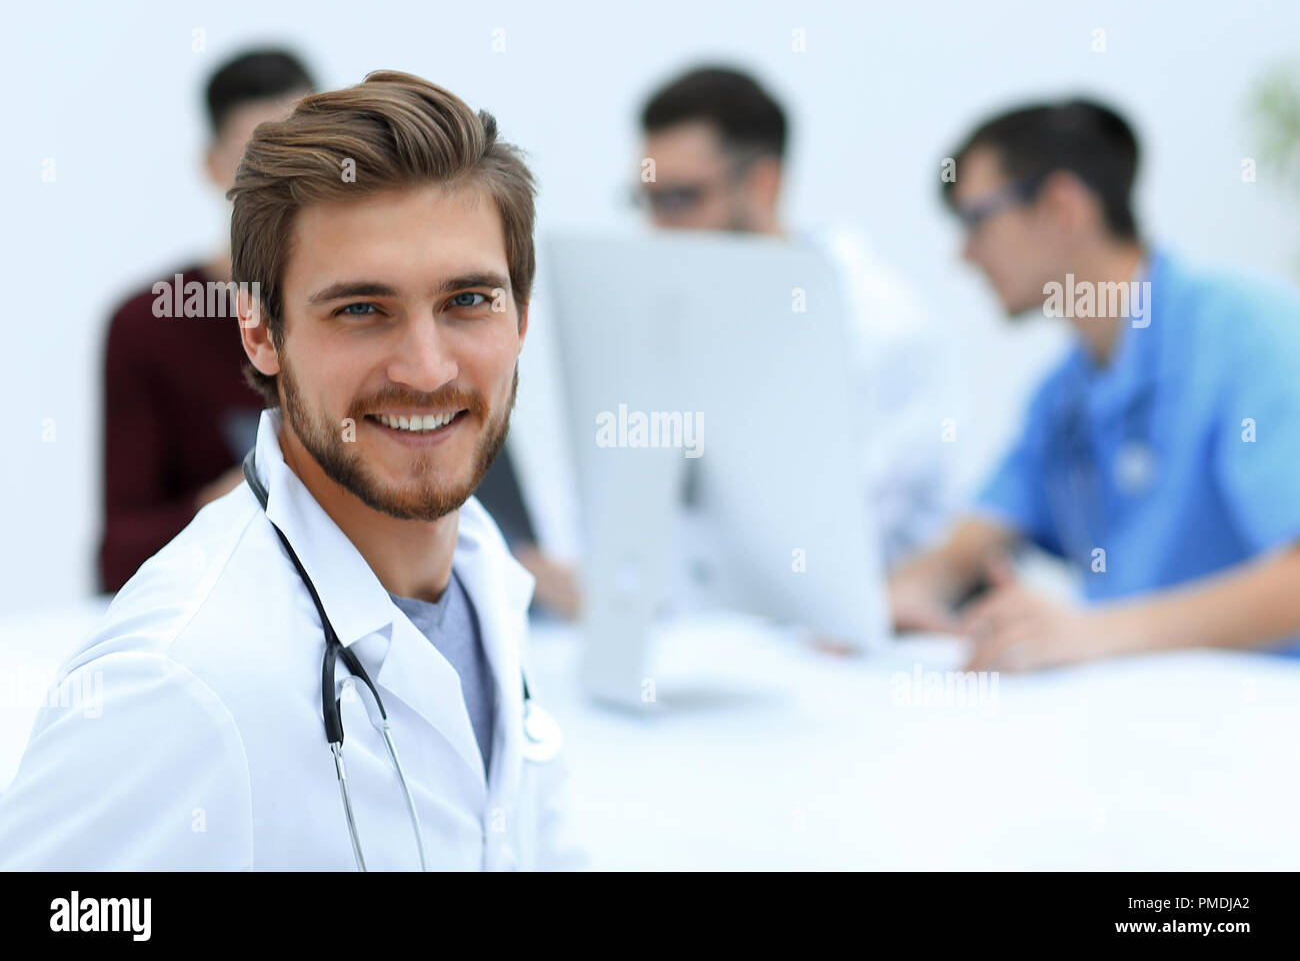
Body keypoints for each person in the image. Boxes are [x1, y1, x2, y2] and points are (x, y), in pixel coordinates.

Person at [0, 71, 582, 869]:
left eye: (468, 300)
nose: (425, 367)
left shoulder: (484, 581)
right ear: (260, 333)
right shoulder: (177, 680)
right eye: (360, 309)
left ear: (521, 316)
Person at [889, 99, 1300, 671]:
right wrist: (906, 593)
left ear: (1063, 208)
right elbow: (977, 538)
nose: (964, 256)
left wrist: (1092, 633)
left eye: (976, 219)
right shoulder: (1063, 396)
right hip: (1136, 723)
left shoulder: (1252, 333)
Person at [636, 65, 956, 568]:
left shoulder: (875, 321)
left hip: (876, 627)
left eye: (680, 198)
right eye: (648, 199)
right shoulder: (687, 317)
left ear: (763, 184)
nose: (658, 228)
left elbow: (830, 541)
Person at [97, 48, 316, 593]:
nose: (288, 180)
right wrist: (237, 497)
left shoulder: (369, 307)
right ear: (213, 167)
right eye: (259, 159)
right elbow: (117, 556)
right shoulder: (148, 324)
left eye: (309, 152)